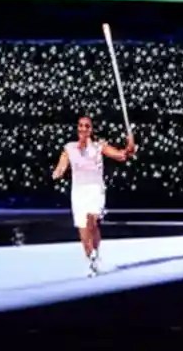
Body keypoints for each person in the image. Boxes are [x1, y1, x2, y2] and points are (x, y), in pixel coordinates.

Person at [51, 116, 136, 276]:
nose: (83, 129)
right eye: (81, 125)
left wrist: (129, 148)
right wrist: (57, 172)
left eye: (87, 126)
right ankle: (91, 258)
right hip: (78, 191)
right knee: (83, 230)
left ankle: (95, 252)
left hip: (95, 189)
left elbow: (121, 156)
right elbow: (61, 167)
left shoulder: (99, 146)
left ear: (91, 129)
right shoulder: (69, 148)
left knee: (92, 221)